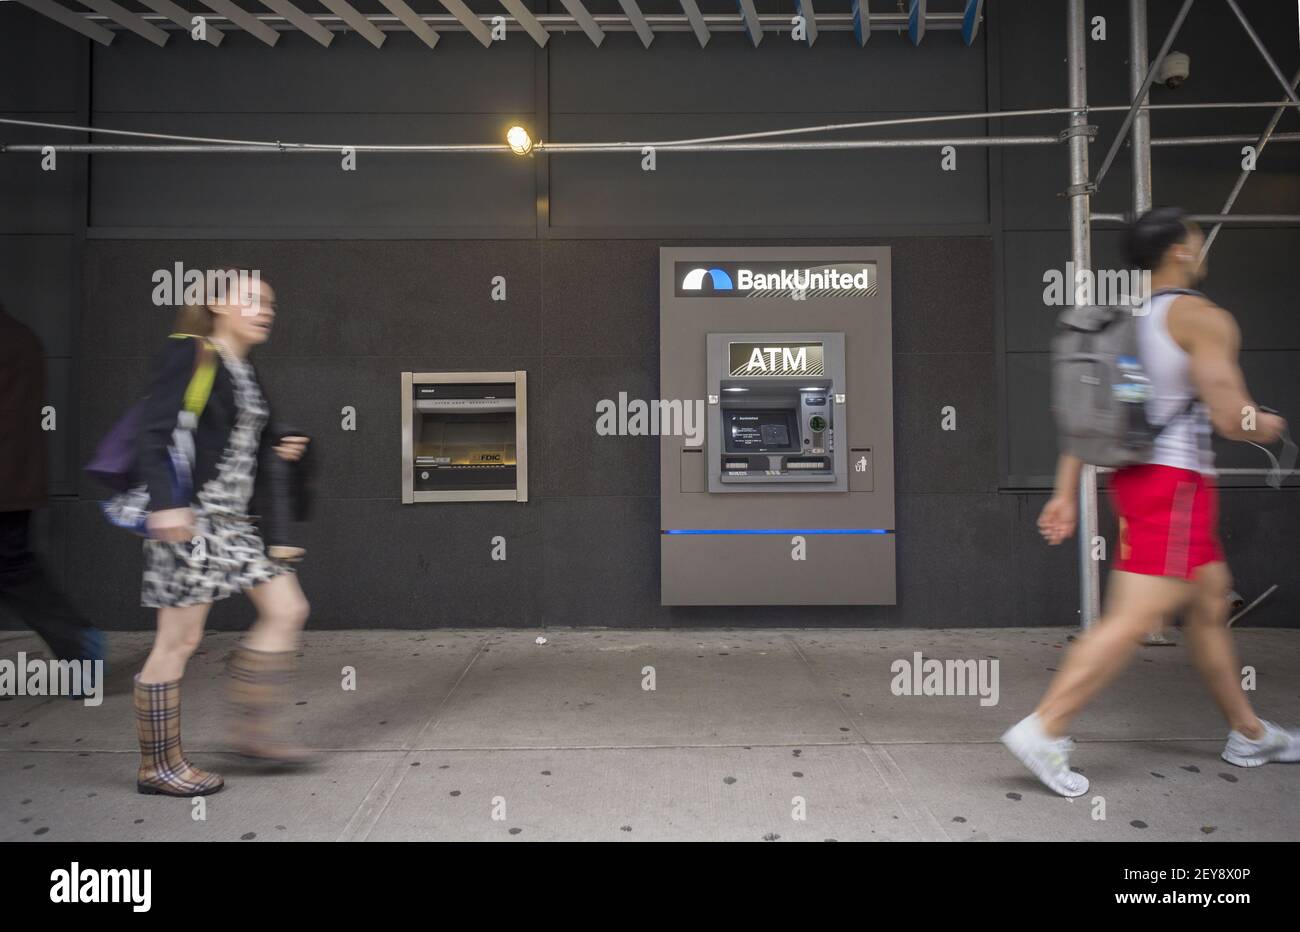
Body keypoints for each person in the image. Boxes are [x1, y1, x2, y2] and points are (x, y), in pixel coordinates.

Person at [1002, 207, 1299, 797]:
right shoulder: (1200, 318)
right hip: (1176, 487)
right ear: (1181, 250)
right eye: (1196, 235)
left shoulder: (1130, 326)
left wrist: (1065, 493)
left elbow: (1094, 421)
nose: (1201, 243)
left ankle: (1248, 731)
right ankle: (1046, 728)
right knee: (1135, 618)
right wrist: (1269, 424)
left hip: (1139, 480)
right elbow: (1228, 415)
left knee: (1210, 601)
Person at [133, 271, 313, 797]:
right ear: (216, 304)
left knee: (286, 611)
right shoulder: (189, 353)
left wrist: (283, 440)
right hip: (191, 520)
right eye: (253, 300)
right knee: (179, 640)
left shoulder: (243, 366)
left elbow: (241, 433)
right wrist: (167, 506)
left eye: (271, 304)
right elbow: (153, 431)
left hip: (236, 525)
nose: (266, 310)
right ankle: (158, 765)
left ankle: (252, 732)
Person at [0, 299, 103, 680]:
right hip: (17, 483)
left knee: (14, 570)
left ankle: (76, 641)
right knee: (16, 569)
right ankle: (76, 641)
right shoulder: (22, 337)